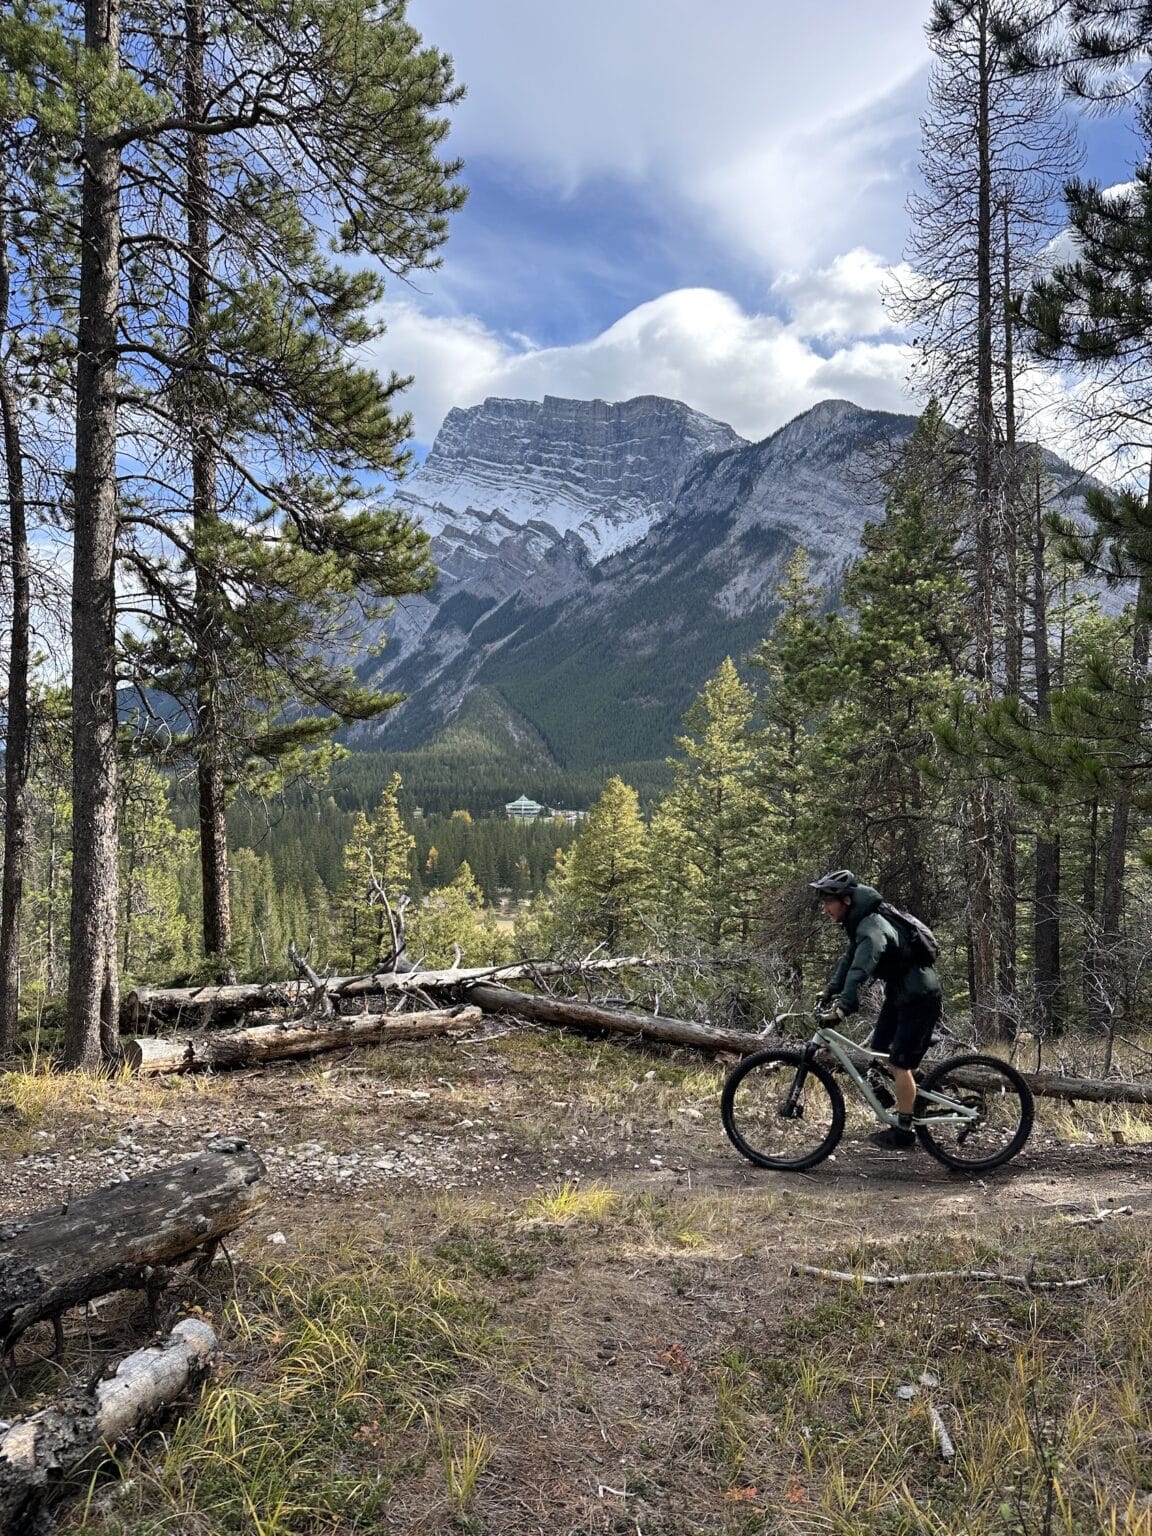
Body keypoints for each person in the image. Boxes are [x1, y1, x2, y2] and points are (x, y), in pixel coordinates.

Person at [809, 868, 943, 1150]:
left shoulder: (872, 927)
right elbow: (848, 961)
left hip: (919, 996)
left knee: (898, 1063)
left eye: (828, 902)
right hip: (901, 994)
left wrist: (844, 1007)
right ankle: (924, 1092)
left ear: (845, 900)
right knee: (879, 1054)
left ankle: (904, 1132)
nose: (824, 909)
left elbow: (861, 968)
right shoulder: (859, 923)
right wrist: (829, 990)